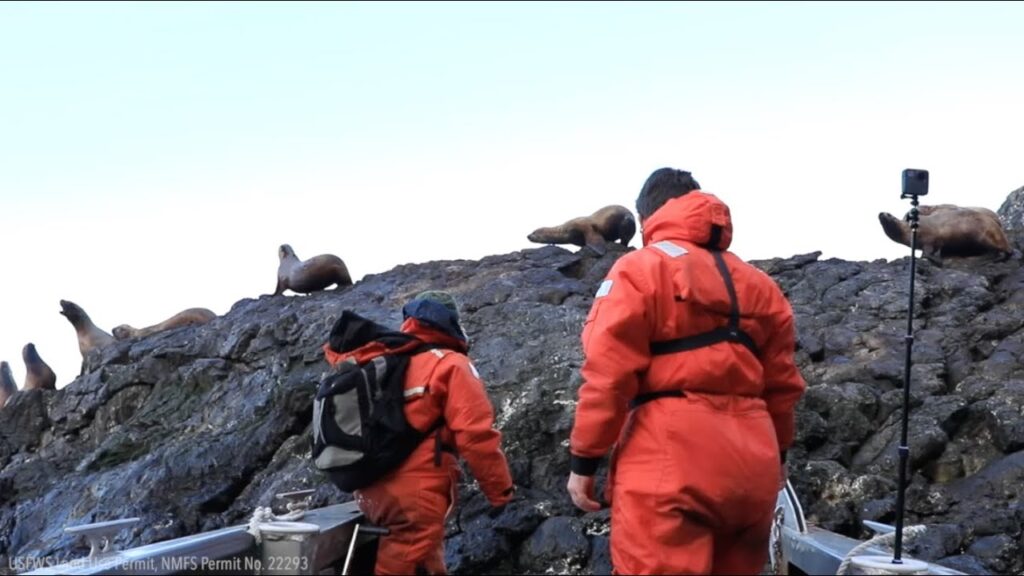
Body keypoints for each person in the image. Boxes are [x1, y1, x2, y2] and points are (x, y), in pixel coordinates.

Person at [566, 168, 807, 575]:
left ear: (647, 218)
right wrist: (779, 456)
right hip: (756, 467)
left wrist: (584, 464)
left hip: (670, 461)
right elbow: (782, 388)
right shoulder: (761, 284)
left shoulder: (640, 269)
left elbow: (608, 377)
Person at [334, 290, 515, 575]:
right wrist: (500, 492)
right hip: (414, 497)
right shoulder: (450, 364)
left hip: (370, 491)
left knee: (427, 565)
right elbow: (476, 436)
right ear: (451, 321)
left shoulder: (387, 361)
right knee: (406, 566)